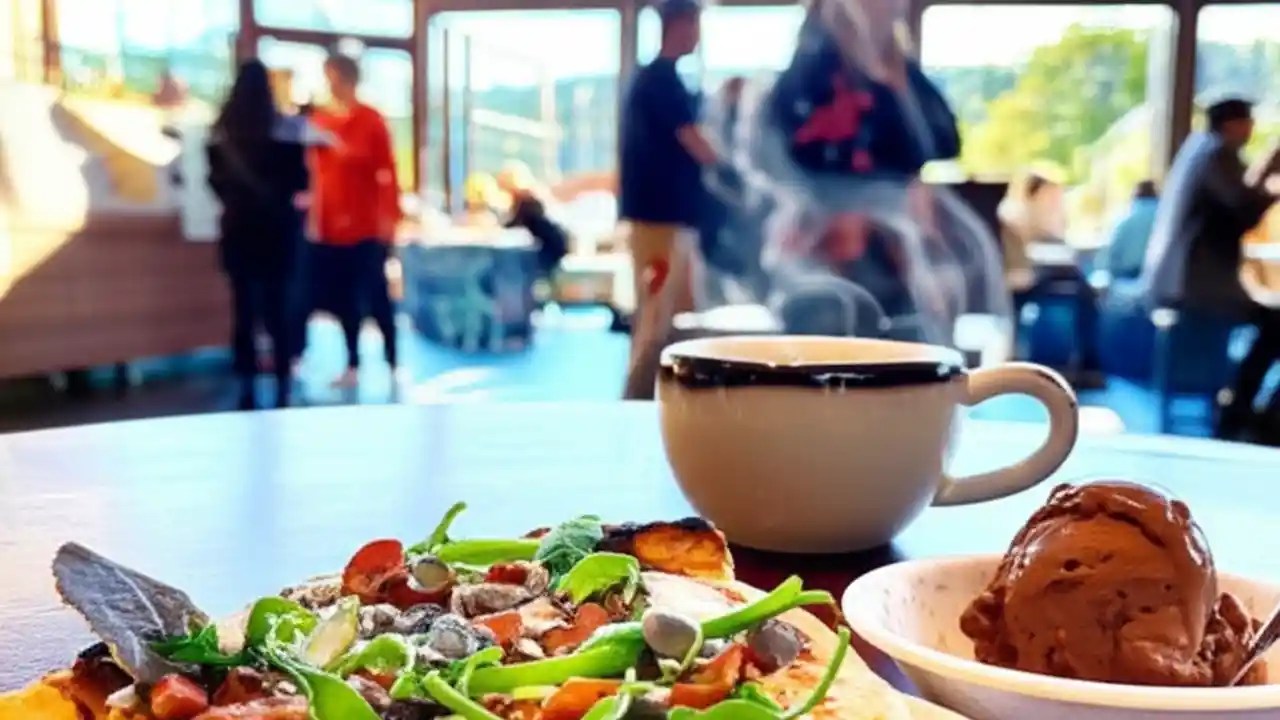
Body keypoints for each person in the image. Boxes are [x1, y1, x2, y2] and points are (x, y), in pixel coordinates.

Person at [1142, 98, 1278, 438]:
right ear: (1234, 124)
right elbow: (1242, 206)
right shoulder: (1215, 153)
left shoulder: (1199, 151)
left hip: (1186, 280)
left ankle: (1243, 409)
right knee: (1276, 324)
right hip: (1197, 286)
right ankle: (1243, 414)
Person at [618, 0, 720, 399]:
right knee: (656, 314)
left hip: (670, 219)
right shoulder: (659, 80)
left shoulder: (667, 80)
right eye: (694, 25)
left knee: (672, 311)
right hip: (656, 218)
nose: (697, 35)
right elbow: (696, 143)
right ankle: (639, 396)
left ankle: (666, 392)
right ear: (679, 25)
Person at [207, 60, 310, 410]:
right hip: (278, 232)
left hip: (238, 231)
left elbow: (215, 186)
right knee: (279, 311)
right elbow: (301, 184)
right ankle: (283, 385)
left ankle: (247, 387)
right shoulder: (286, 135)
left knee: (244, 313)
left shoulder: (221, 137)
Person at [310, 52, 402, 388]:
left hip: (366, 225)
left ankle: (392, 360)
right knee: (343, 295)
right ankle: (352, 363)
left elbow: (387, 172)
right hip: (331, 225)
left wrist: (389, 217)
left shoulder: (371, 120)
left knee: (377, 293)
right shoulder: (319, 120)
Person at [496, 162, 569, 278]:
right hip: (551, 244)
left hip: (552, 246)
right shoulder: (529, 198)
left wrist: (497, 227)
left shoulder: (526, 201)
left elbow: (516, 222)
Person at [1099, 180, 1159, 280]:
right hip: (1159, 277)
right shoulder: (1165, 220)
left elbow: (1110, 257)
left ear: (1135, 197)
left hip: (1128, 276)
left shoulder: (1124, 222)